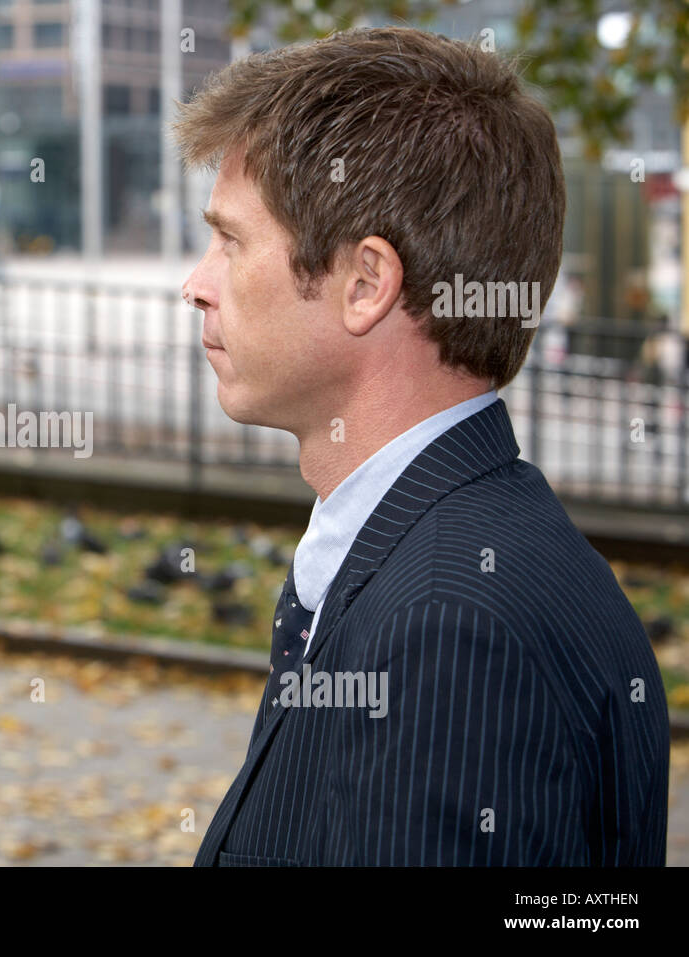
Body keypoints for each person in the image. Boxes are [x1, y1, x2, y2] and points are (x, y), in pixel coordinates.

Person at [175, 27, 669, 866]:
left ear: (366, 283)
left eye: (231, 240)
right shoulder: (455, 554)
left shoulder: (450, 629)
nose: (196, 283)